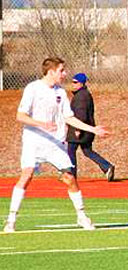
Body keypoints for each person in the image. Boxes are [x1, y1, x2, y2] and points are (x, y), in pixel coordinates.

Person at [3, 57, 111, 233]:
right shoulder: (33, 89)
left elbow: (69, 117)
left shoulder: (60, 92)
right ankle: (11, 219)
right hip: (34, 141)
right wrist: (41, 124)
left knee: (70, 178)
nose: (65, 74)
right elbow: (20, 116)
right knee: (27, 175)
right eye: (62, 70)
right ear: (51, 71)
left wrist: (93, 129)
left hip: (54, 143)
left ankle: (82, 216)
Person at [66, 72, 115, 182]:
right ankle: (107, 166)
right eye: (73, 82)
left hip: (80, 129)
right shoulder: (84, 94)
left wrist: (78, 129)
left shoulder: (81, 96)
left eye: (75, 82)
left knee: (71, 151)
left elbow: (81, 114)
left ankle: (71, 176)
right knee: (87, 151)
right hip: (87, 129)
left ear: (82, 83)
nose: (73, 84)